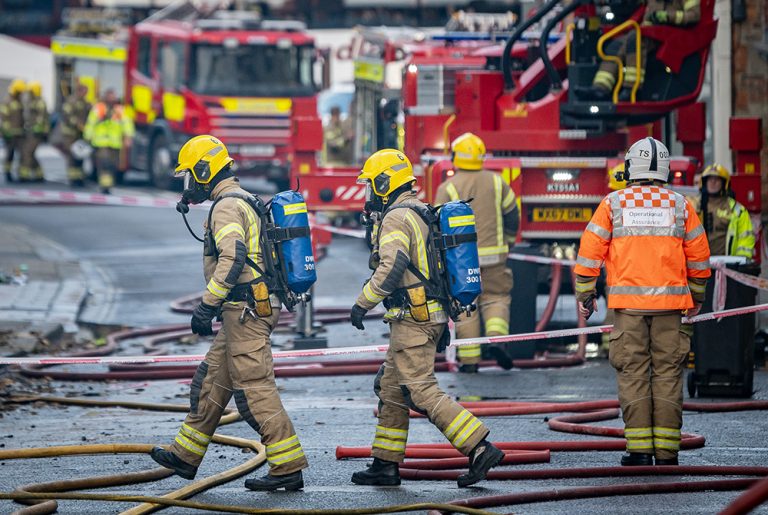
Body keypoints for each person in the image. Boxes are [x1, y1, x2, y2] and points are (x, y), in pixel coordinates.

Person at [150, 135, 308, 491]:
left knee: (255, 390)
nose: (187, 186)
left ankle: (287, 466)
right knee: (212, 382)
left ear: (204, 171)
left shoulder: (226, 206)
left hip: (247, 311)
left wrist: (207, 304)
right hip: (244, 309)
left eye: (190, 176)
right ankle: (185, 455)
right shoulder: (239, 199)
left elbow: (233, 257)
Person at [350, 148, 504, 488]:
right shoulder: (420, 212)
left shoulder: (396, 217)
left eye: (372, 184)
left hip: (413, 319)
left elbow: (392, 268)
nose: (369, 193)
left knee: (420, 390)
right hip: (425, 315)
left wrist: (362, 303)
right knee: (390, 388)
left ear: (385, 183)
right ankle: (385, 464)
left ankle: (478, 446)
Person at [574, 137, 710, 466]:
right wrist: (697, 297)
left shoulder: (613, 204)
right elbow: (700, 257)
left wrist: (586, 293)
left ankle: (638, 450)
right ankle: (666, 453)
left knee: (633, 374)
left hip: (627, 310)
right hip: (671, 310)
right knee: (667, 375)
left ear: (629, 167)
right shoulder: (680, 205)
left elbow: (591, 251)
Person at [434, 132, 519, 373]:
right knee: (496, 298)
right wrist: (509, 242)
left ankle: (470, 362)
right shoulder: (496, 182)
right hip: (495, 258)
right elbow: (512, 214)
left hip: (462, 262)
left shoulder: (448, 187)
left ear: (456, 157)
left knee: (465, 304)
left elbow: (437, 225)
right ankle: (496, 340)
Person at [576, 0, 701, 101]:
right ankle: (601, 88)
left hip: (669, 34)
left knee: (634, 41)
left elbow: (694, 15)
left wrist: (668, 16)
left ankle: (632, 89)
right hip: (647, 31)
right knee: (614, 45)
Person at [696, 163, 755, 258]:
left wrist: (740, 260)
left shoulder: (737, 210)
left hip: (727, 263)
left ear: (724, 183)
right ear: (704, 182)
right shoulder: (695, 207)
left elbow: (746, 237)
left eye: (717, 179)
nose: (713, 182)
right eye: (710, 179)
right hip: (700, 262)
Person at [83, 89, 134, 194]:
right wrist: (87, 138)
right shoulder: (98, 109)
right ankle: (105, 186)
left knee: (113, 165)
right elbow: (90, 123)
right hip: (101, 143)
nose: (112, 99)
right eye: (110, 96)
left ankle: (108, 184)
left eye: (114, 97)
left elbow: (127, 124)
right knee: (104, 163)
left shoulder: (120, 110)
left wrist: (128, 137)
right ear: (105, 97)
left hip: (115, 144)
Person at [60, 83, 92, 187]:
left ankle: (79, 177)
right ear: (79, 91)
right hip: (70, 134)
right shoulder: (71, 101)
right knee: (72, 155)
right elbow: (67, 116)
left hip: (80, 134)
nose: (85, 93)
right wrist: (78, 124)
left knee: (80, 155)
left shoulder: (84, 102)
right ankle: (73, 179)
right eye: (84, 91)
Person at [21, 81, 49, 182]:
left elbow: (40, 119)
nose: (29, 94)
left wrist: (32, 127)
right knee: (31, 153)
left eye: (31, 92)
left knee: (27, 152)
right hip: (32, 132)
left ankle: (24, 176)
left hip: (36, 133)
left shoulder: (40, 102)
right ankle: (38, 174)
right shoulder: (33, 101)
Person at [0, 79, 25, 183]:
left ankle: (20, 174)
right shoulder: (7, 102)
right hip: (9, 134)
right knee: (9, 154)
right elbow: (3, 119)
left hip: (18, 133)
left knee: (21, 154)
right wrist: (6, 132)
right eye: (20, 92)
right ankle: (7, 174)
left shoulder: (18, 102)